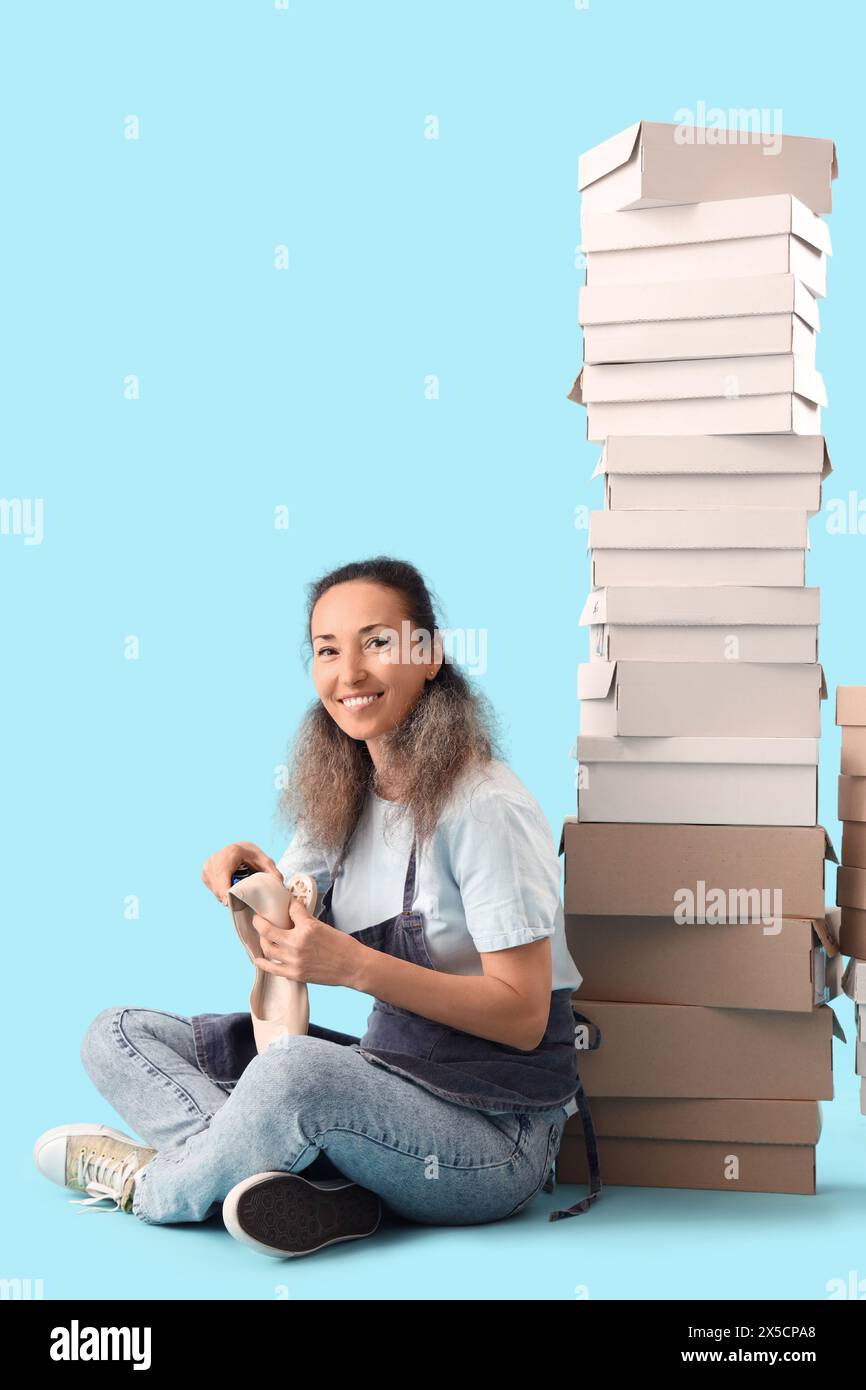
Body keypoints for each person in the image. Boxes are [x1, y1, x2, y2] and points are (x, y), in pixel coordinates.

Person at [33, 555, 600, 1257]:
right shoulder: (347, 792)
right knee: (117, 1033)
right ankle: (304, 1186)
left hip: (493, 1137)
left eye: (376, 643)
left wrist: (355, 967)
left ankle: (153, 1188)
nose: (349, 673)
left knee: (291, 1076)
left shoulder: (485, 806)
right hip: (385, 1086)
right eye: (328, 650)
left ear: (430, 656)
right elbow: (286, 934)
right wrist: (252, 892)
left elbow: (521, 1017)